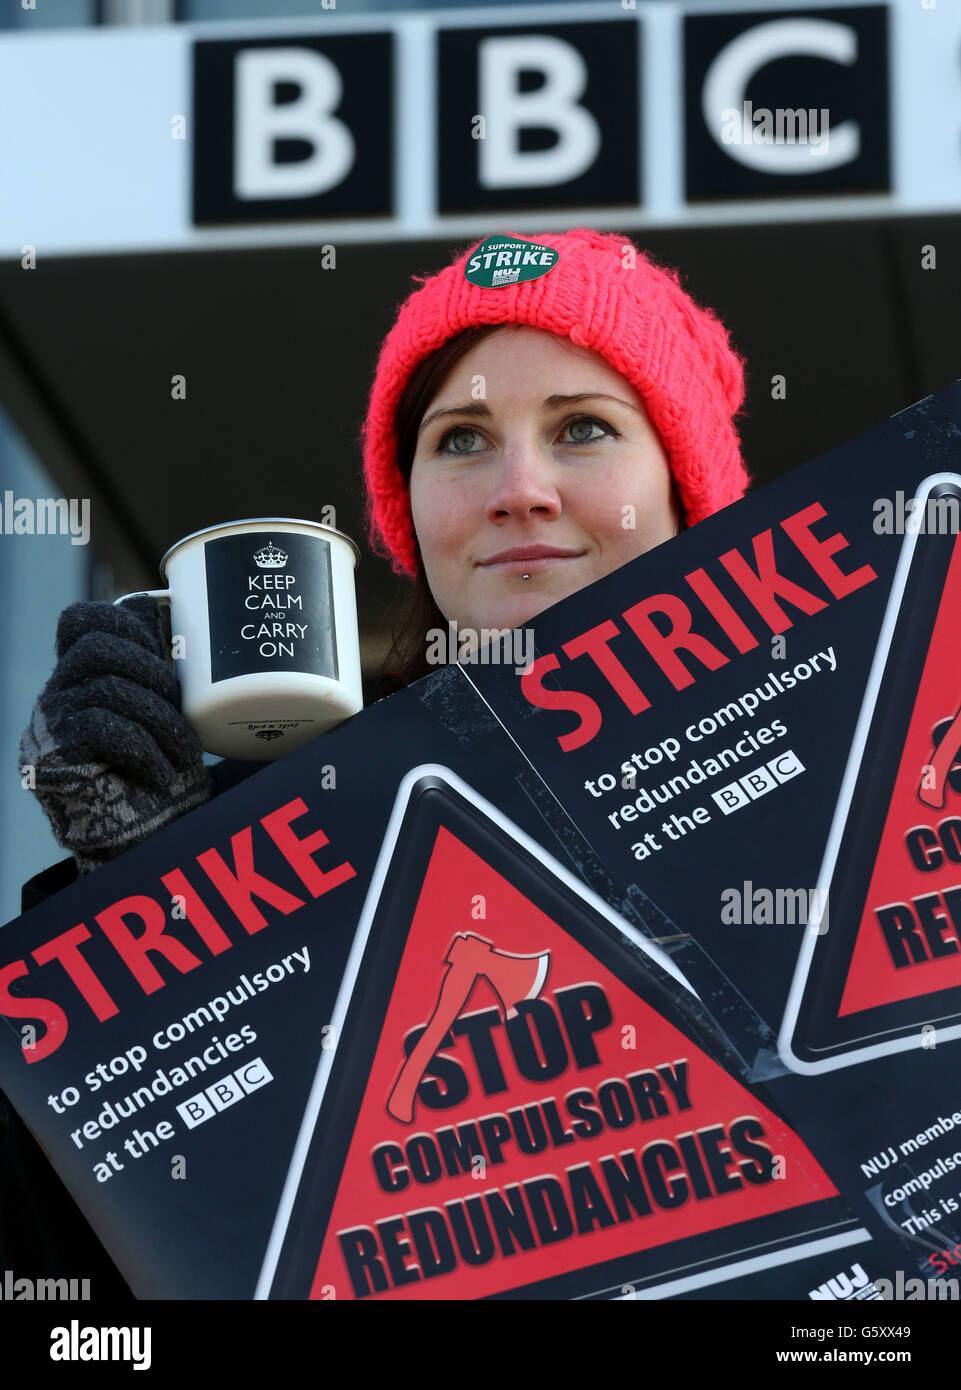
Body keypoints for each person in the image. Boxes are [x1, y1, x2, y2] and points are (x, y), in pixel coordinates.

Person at [6, 226, 751, 1294]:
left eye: (583, 427)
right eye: (460, 438)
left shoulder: (852, 780)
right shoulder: (294, 835)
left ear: (686, 488)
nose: (520, 488)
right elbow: (95, 1286)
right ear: (412, 513)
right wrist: (138, 904)